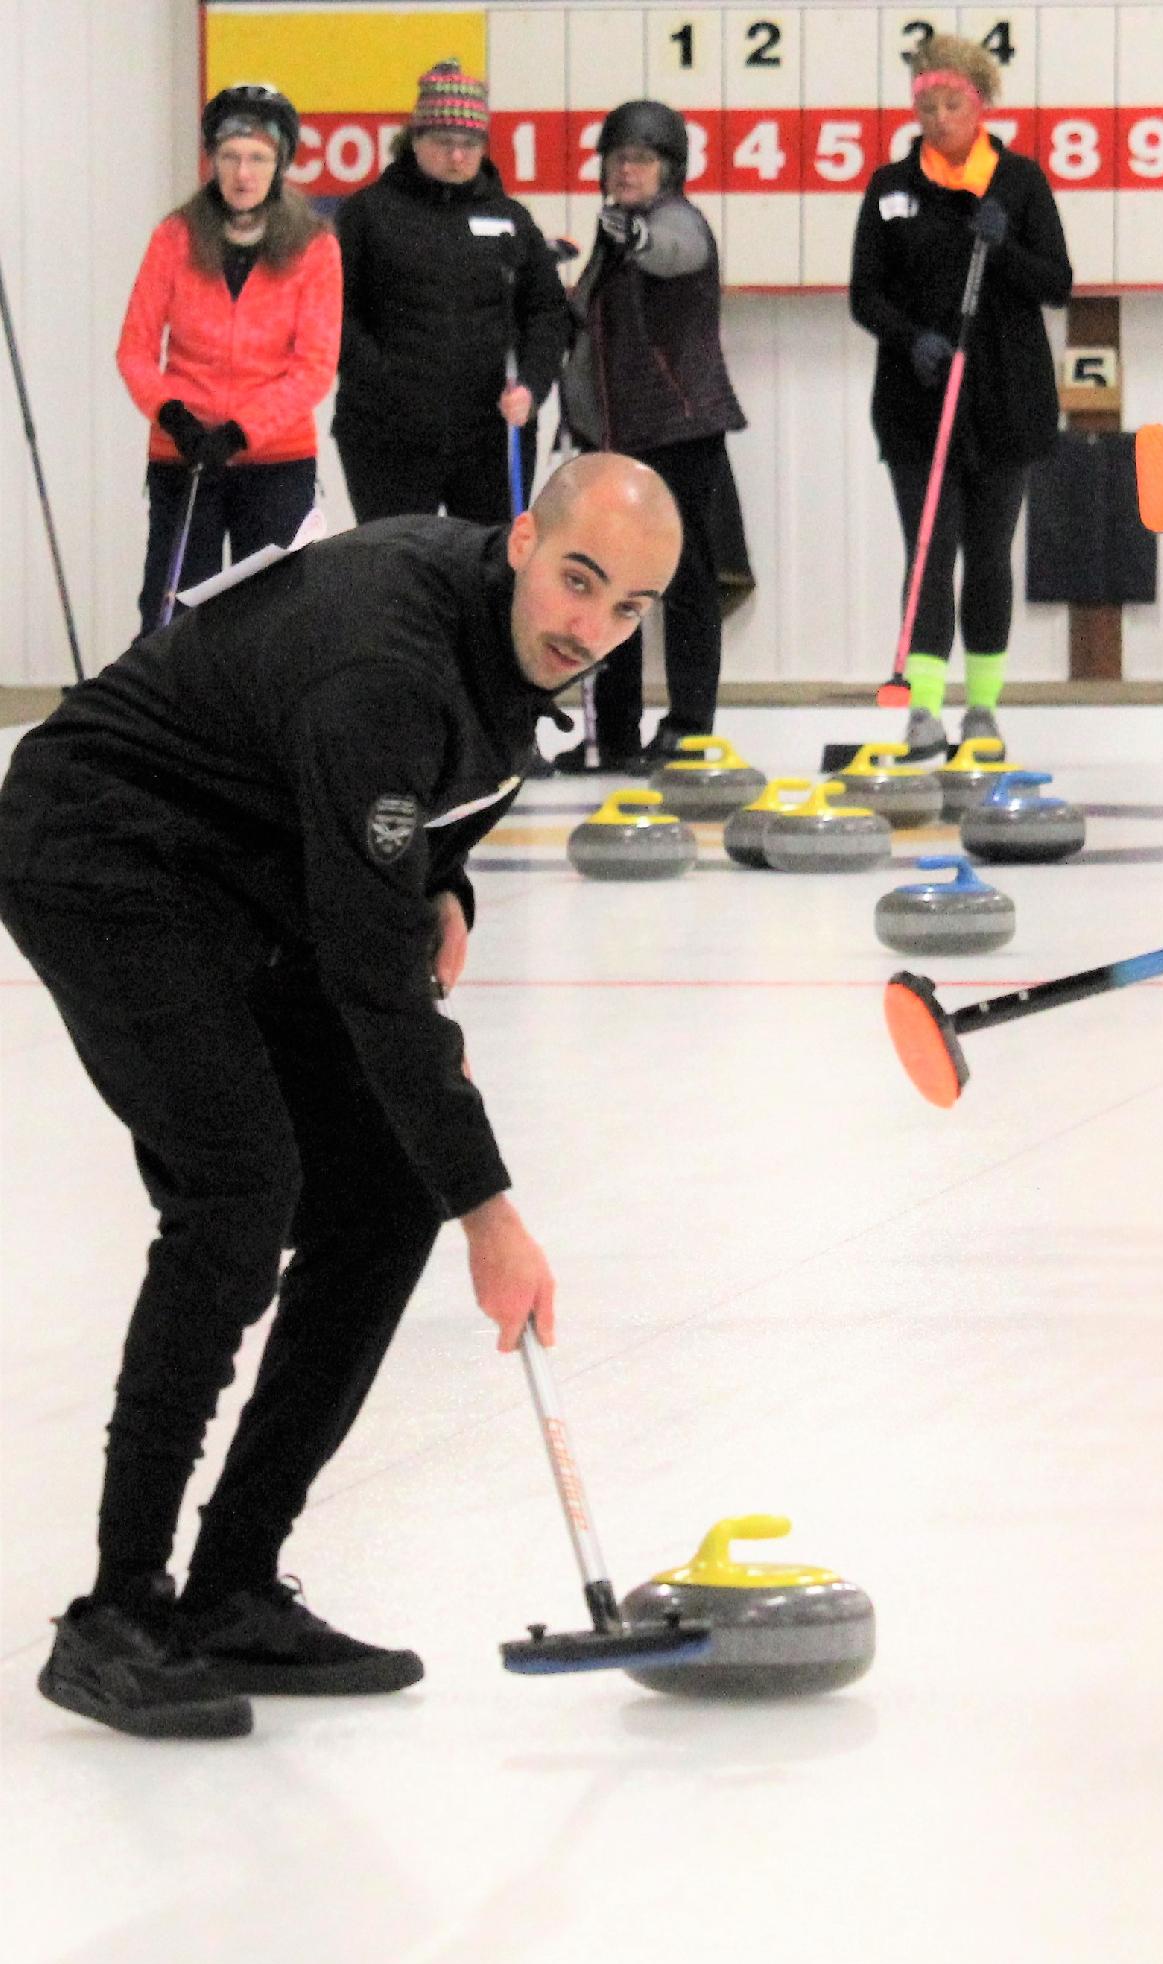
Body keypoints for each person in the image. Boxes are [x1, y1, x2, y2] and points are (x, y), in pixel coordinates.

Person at [0, 455, 683, 1741]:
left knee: (378, 1186)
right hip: (105, 852)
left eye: (627, 608)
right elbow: (371, 977)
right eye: (578, 580)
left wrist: (448, 891)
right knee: (238, 1188)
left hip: (250, 866)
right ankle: (118, 1610)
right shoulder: (387, 661)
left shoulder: (507, 636)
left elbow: (427, 824)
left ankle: (236, 1584)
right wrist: (490, 1206)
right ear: (523, 537)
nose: (588, 628)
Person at [850, 33, 1072, 760]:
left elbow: (1057, 283)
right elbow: (864, 294)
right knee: (928, 551)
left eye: (952, 103)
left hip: (1006, 401)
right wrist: (910, 337)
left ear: (981, 104)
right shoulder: (890, 188)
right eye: (925, 104)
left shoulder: (1019, 182)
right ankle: (922, 709)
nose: (937, 116)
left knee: (986, 553)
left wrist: (1003, 247)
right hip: (918, 406)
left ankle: (981, 710)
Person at [554, 99, 748, 775]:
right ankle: (615, 734)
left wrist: (633, 242)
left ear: (669, 168)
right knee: (612, 584)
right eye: (617, 159)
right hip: (617, 435)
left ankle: (691, 727)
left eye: (640, 159)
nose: (626, 169)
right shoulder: (616, 229)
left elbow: (676, 252)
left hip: (678, 430)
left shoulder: (670, 221)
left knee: (685, 580)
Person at [116, 85, 341, 634]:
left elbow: (314, 365)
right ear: (212, 161)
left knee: (273, 618)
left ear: (280, 164)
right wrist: (175, 419)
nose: (243, 173)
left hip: (275, 460)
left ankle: (265, 722)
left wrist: (242, 433)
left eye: (259, 158)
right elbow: (135, 350)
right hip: (185, 453)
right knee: (171, 615)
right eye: (231, 157)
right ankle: (170, 720)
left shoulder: (314, 245)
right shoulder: (174, 237)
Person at [332, 58, 568, 527]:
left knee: (486, 569)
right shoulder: (367, 214)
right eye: (443, 143)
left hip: (490, 436)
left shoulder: (512, 221)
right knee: (396, 568)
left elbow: (546, 314)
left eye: (469, 144)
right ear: (415, 140)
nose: (457, 157)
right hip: (387, 437)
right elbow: (334, 314)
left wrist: (532, 387)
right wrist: (381, 381)